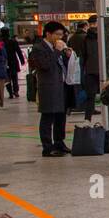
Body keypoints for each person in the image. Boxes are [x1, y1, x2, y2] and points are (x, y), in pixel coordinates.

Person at [29, 22, 73, 157]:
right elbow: (45, 65)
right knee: (48, 117)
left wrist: (66, 55)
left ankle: (59, 142)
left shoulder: (56, 47)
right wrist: (58, 51)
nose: (60, 37)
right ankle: (47, 146)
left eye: (62, 35)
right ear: (48, 34)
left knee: (61, 116)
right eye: (57, 34)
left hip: (61, 85)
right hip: (48, 87)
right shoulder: (38, 48)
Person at [81, 15, 101, 121]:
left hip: (91, 69)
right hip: (95, 69)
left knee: (91, 96)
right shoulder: (88, 38)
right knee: (92, 95)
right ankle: (88, 117)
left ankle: (88, 118)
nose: (94, 26)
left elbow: (83, 56)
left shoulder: (86, 38)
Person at [4, 30, 25, 98]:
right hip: (13, 61)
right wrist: (22, 60)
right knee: (14, 77)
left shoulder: (1, 42)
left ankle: (10, 92)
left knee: (7, 78)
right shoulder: (13, 41)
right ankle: (16, 91)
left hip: (5, 62)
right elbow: (19, 51)